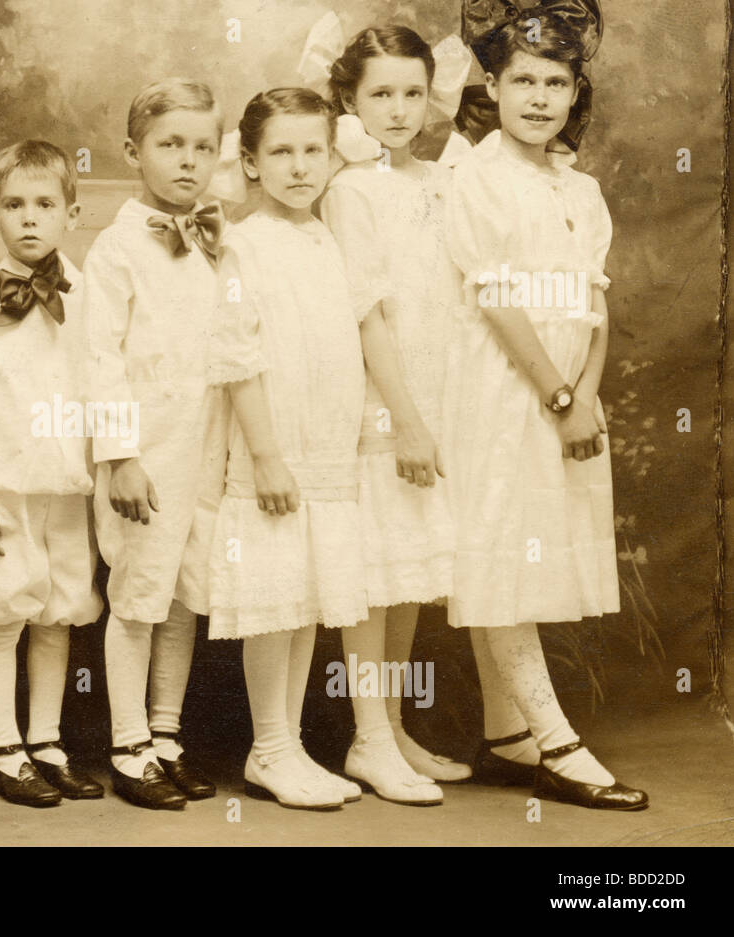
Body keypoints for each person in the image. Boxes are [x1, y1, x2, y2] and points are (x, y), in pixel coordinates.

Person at [442, 3, 647, 810]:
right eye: (521, 80)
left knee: (534, 547)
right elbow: (494, 300)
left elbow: (594, 303)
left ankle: (504, 733)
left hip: (566, 395)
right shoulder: (474, 178)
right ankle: (556, 744)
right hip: (502, 388)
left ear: (574, 93)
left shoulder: (581, 188)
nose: (537, 97)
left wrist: (584, 394)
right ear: (490, 86)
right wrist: (556, 392)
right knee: (503, 551)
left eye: (555, 83)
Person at [322, 23, 474, 788]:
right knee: (374, 569)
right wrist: (404, 416)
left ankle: (396, 727)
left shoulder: (444, 179)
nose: (398, 109)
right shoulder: (351, 189)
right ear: (349, 98)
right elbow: (367, 312)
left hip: (440, 386)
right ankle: (367, 734)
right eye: (380, 93)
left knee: (412, 563)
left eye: (413, 92)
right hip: (382, 400)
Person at [207, 87, 368, 809]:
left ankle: (290, 743)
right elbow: (237, 356)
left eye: (313, 151)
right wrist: (267, 453)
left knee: (305, 595)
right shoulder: (244, 242)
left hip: (326, 443)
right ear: (248, 161)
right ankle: (266, 746)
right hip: (276, 443)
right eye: (281, 152)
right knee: (274, 594)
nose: (300, 167)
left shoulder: (324, 234)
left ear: (333, 155)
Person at [83, 77, 229, 810]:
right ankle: (128, 741)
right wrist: (120, 456)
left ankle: (167, 735)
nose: (187, 161)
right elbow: (99, 359)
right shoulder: (117, 250)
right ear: (134, 151)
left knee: (184, 596)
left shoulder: (215, 236)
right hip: (146, 453)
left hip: (205, 444)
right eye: (170, 144)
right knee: (139, 597)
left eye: (203, 147)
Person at [0, 140, 105, 808]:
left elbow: (105, 378)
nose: (30, 218)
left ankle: (47, 739)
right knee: (4, 613)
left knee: (57, 615)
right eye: (14, 205)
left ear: (72, 211)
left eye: (45, 204)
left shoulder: (91, 297)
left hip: (68, 483)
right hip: (6, 489)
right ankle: (4, 745)